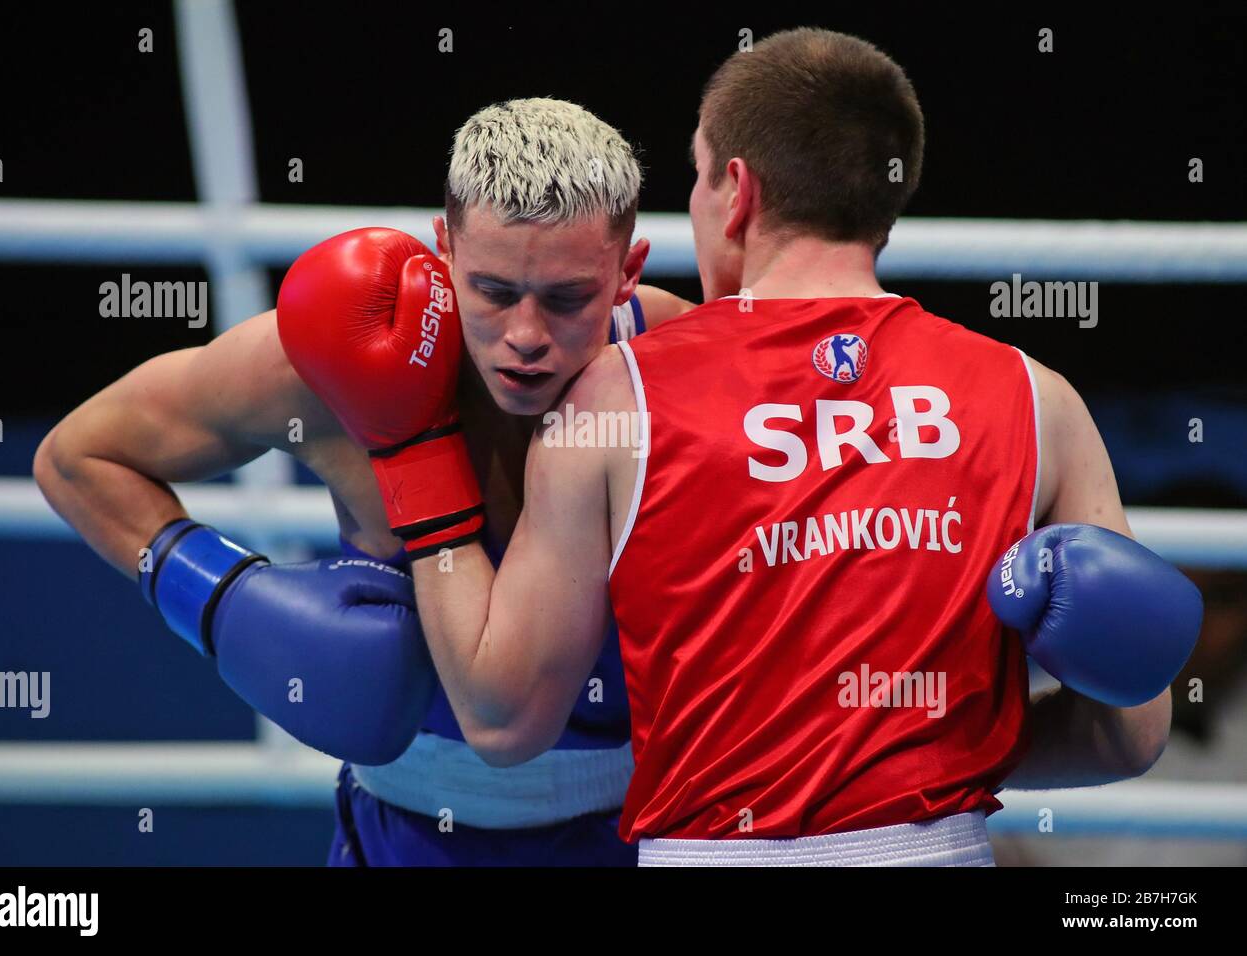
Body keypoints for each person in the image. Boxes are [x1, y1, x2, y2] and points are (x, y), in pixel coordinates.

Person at [287, 28, 1201, 866]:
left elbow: (503, 716)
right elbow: (1132, 732)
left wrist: (410, 449)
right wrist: (939, 745)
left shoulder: (623, 391)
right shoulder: (1034, 397)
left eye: (694, 177)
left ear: (736, 190)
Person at [33, 98, 693, 866]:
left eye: (566, 299)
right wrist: (217, 598)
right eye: (493, 291)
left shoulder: (679, 373)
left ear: (627, 273)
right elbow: (78, 458)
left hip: (642, 840)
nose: (525, 337)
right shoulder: (331, 370)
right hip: (401, 840)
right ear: (442, 248)